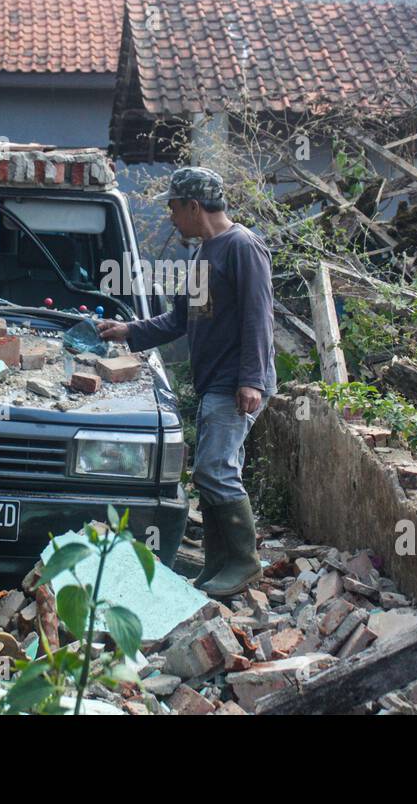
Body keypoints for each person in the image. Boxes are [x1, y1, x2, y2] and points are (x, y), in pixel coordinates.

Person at [97, 166, 276, 598]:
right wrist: (130, 332)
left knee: (216, 469)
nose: (172, 217)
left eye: (174, 208)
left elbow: (258, 316)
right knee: (212, 472)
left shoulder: (242, 247)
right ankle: (218, 568)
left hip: (235, 382)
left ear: (194, 206)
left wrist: (251, 380)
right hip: (215, 382)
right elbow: (179, 320)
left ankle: (244, 564)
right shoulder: (200, 255)